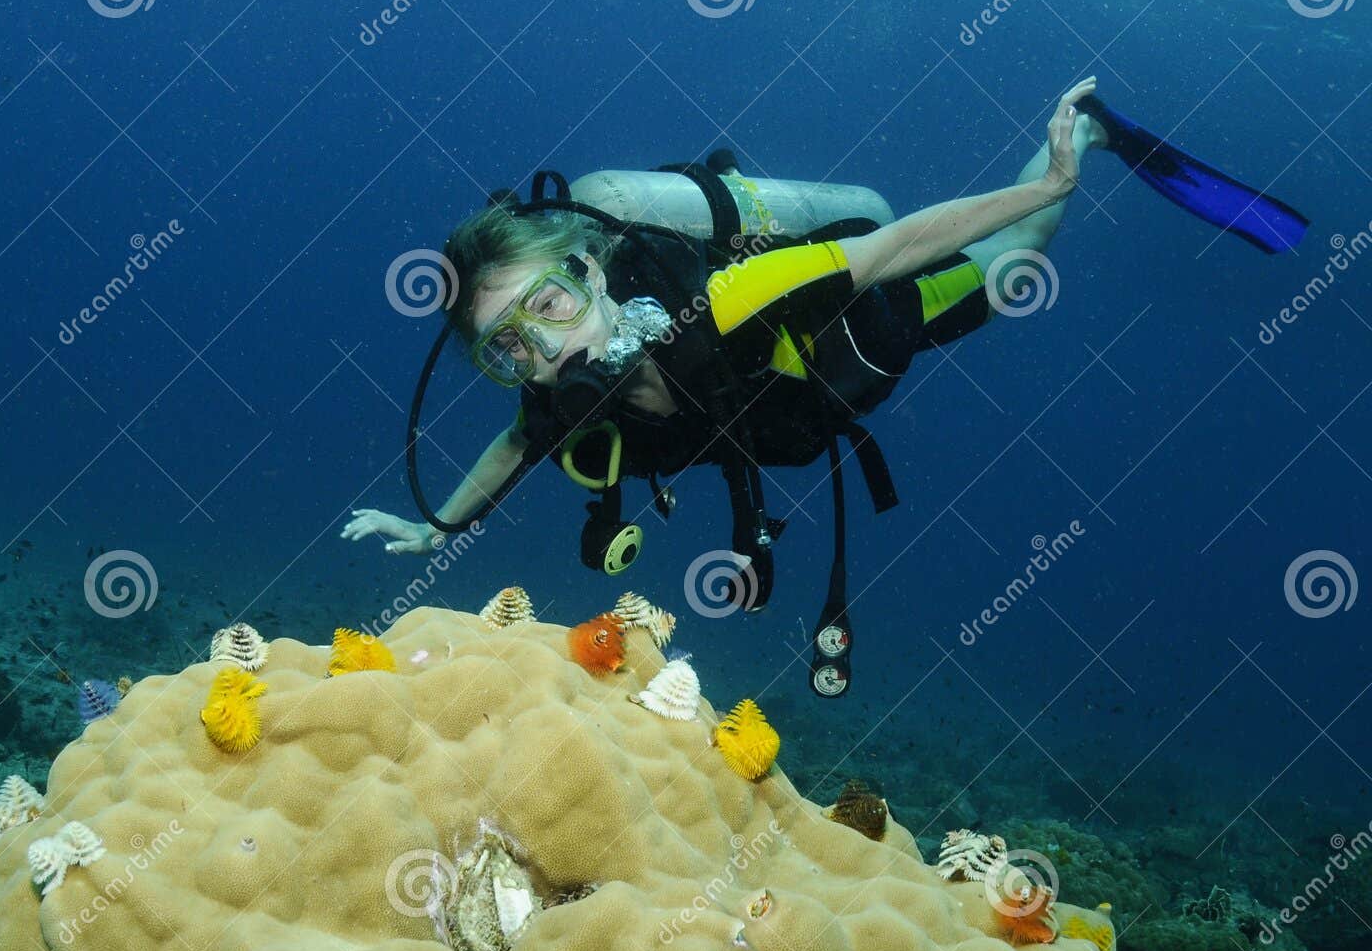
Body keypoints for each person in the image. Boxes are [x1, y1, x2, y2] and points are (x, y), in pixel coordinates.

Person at [343, 79, 1307, 695]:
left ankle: (1085, 139)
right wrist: (438, 527)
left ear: (591, 272)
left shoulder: (723, 301)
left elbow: (895, 242)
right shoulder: (559, 397)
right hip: (786, 422)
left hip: (848, 339)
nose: (545, 353)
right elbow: (518, 443)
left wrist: (1045, 187)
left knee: (1009, 277)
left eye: (549, 305)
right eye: (506, 348)